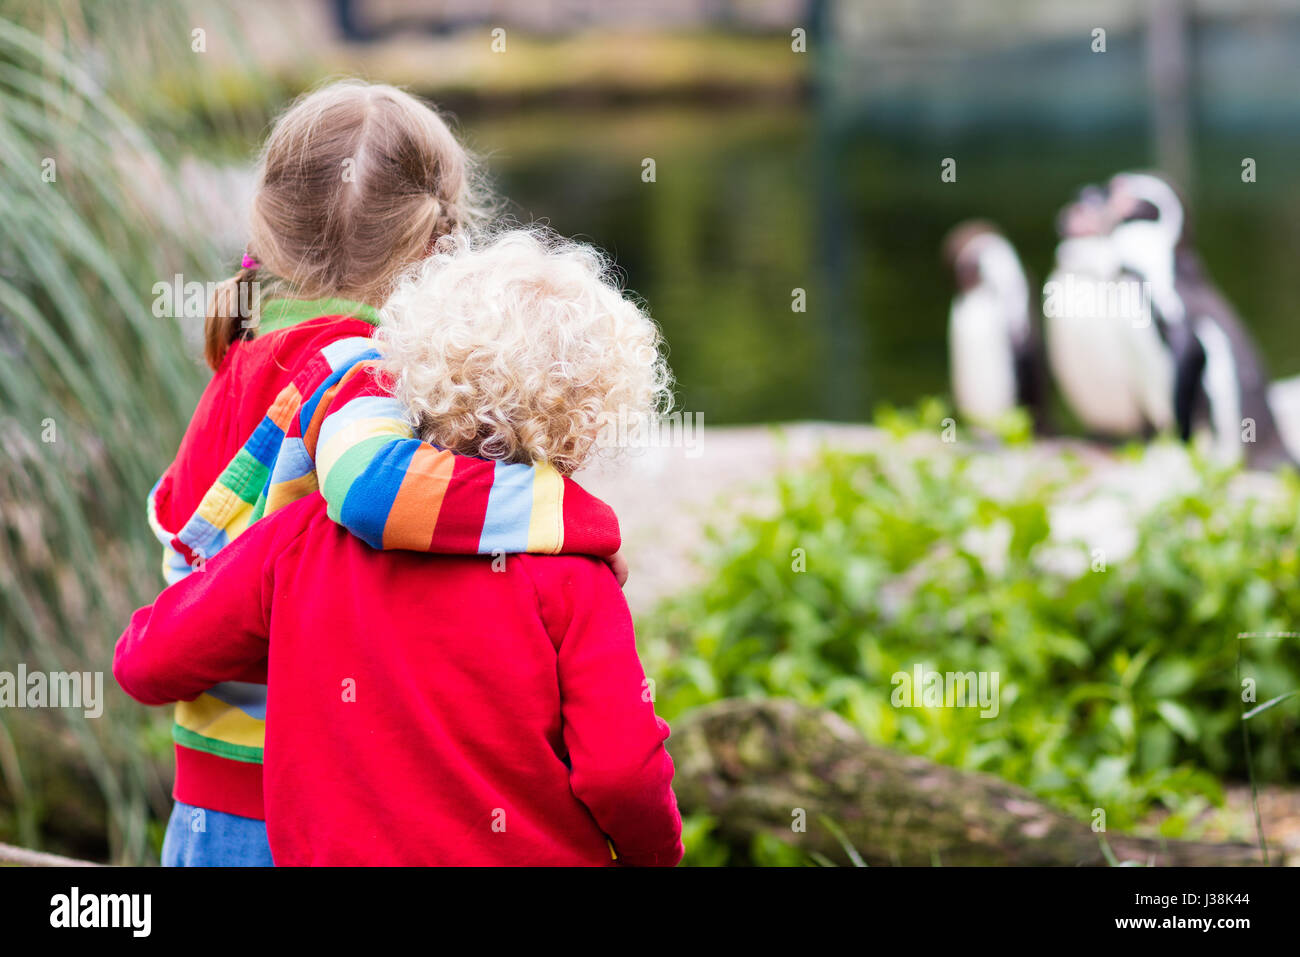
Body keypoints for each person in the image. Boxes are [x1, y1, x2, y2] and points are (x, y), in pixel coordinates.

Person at [147, 81, 624, 866]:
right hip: (298, 798)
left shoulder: (239, 365)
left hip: (204, 797)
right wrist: (570, 517)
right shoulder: (354, 371)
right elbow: (374, 489)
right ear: (439, 247)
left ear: (268, 227)